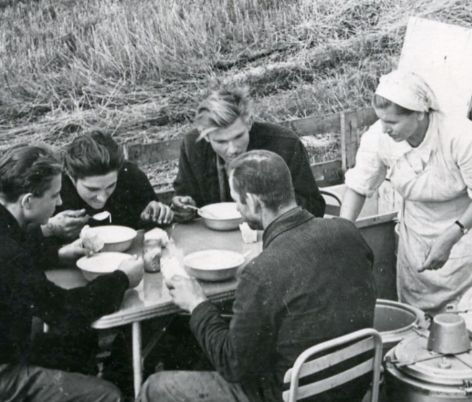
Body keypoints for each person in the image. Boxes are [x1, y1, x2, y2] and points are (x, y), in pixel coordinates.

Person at [141, 151, 376, 402]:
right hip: (351, 385)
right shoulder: (348, 231)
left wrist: (197, 304)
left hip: (289, 395)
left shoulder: (261, 271)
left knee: (155, 386)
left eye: (237, 201)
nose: (237, 209)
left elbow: (232, 364)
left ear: (253, 202)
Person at [0, 143, 145, 402]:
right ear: (28, 201)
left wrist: (59, 254)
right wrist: (122, 278)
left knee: (75, 349)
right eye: (54, 196)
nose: (60, 201)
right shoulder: (7, 255)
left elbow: (15, 246)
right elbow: (67, 312)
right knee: (109, 394)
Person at [339, 69, 472, 313]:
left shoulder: (463, 137)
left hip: (468, 227)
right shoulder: (379, 137)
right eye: (381, 119)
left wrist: (453, 235)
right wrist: (340, 233)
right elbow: (359, 186)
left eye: (392, 122)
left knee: (470, 311)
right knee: (418, 313)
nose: (384, 129)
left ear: (419, 113)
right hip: (418, 228)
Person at [171, 85, 325, 220]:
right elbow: (185, 200)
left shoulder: (286, 143)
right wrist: (184, 208)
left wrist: (268, 196)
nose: (232, 150)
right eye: (221, 142)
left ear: (249, 122)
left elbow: (315, 208)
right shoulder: (192, 145)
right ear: (204, 134)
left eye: (238, 136)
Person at [38, 130, 174, 242]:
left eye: (111, 186)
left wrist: (152, 217)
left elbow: (155, 229)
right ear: (71, 176)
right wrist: (51, 229)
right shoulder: (56, 190)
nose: (102, 198)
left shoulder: (130, 175)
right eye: (92, 189)